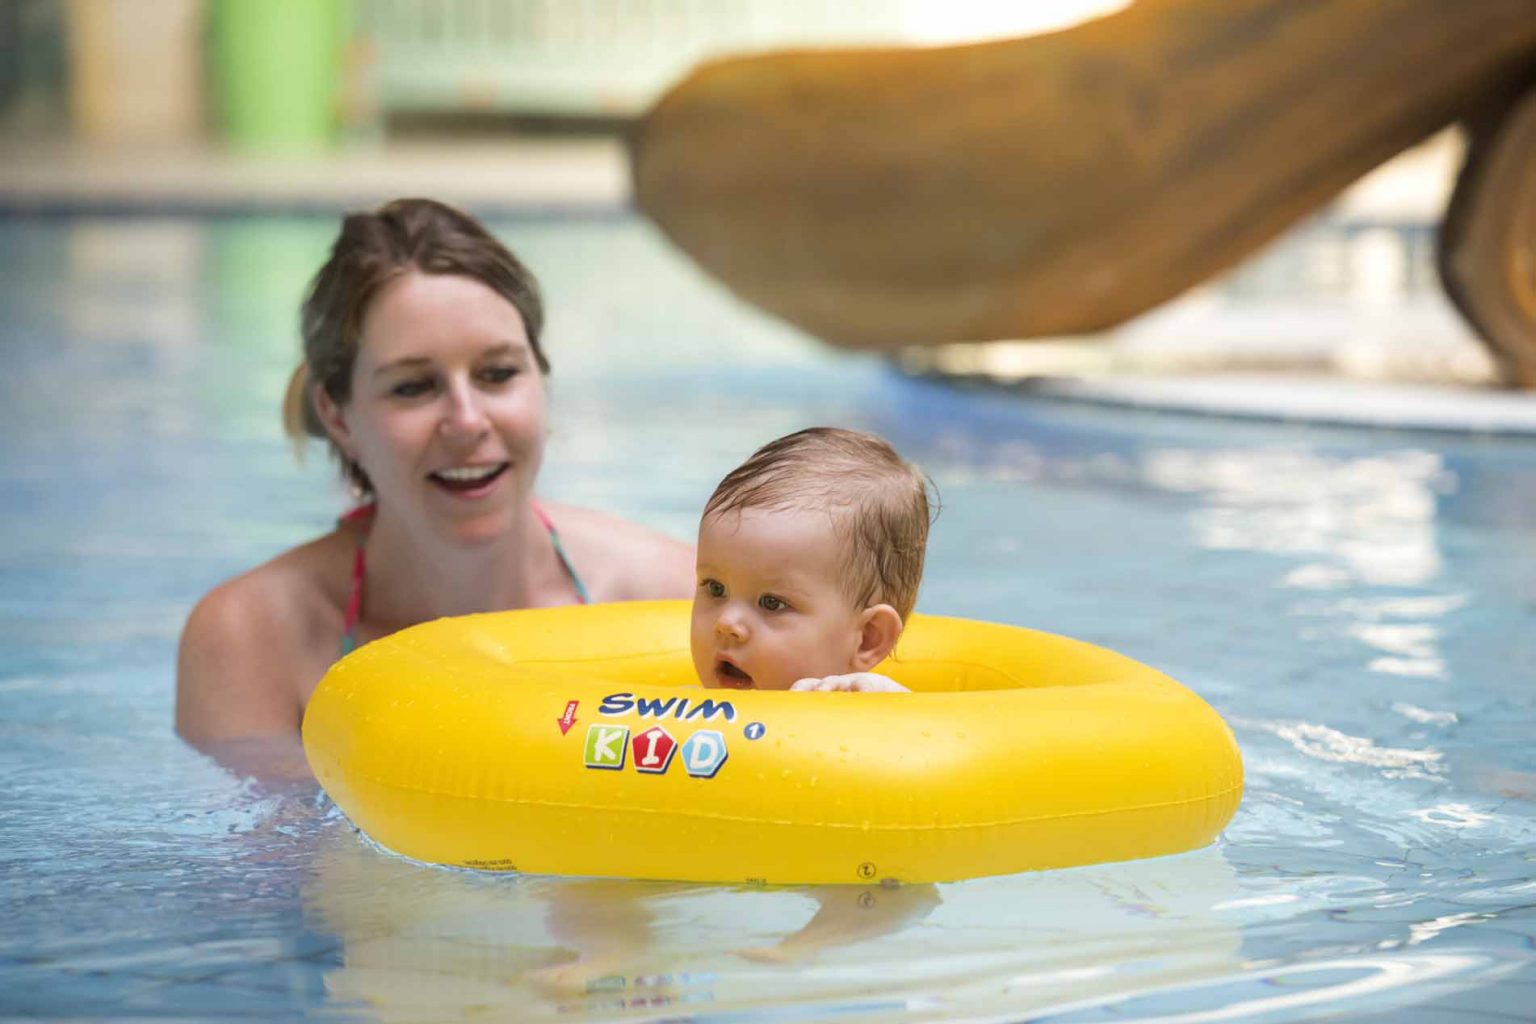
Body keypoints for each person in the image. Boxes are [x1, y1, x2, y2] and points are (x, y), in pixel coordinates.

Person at [177, 198, 695, 745]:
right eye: (413, 387)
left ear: (540, 381)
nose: (466, 421)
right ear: (338, 417)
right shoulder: (252, 640)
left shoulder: (676, 599)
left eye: (498, 373)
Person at [690, 427, 933, 693]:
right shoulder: (676, 705)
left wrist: (884, 708)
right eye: (715, 588)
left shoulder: (874, 709)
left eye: (772, 603)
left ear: (867, 639)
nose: (726, 623)